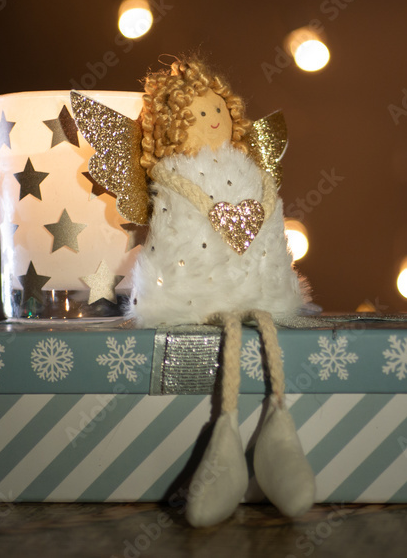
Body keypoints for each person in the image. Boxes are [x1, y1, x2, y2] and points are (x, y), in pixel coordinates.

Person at [130, 55, 314, 527]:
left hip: (261, 287)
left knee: (266, 331)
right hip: (194, 293)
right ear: (175, 129)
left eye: (218, 109)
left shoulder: (253, 170)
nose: (213, 119)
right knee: (232, 330)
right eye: (198, 115)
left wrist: (262, 202)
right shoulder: (173, 176)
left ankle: (279, 432)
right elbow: (181, 212)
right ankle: (225, 447)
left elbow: (267, 210)